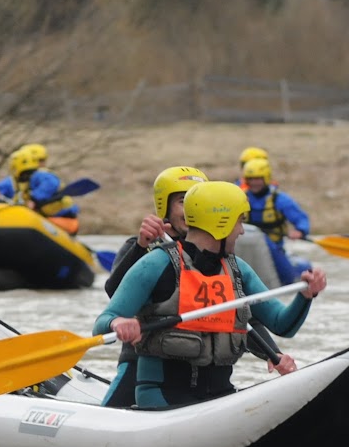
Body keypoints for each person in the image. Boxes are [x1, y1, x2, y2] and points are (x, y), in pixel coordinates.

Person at [94, 180, 325, 411]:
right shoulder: (156, 264)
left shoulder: (238, 270)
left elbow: (282, 324)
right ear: (221, 223)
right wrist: (118, 322)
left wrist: (305, 296)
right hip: (163, 398)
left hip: (219, 397)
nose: (242, 231)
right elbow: (102, 323)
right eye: (239, 222)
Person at [98, 166, 208, 406]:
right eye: (182, 201)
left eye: (196, 200)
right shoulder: (139, 247)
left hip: (197, 366)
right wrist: (142, 246)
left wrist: (273, 355)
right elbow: (115, 293)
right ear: (165, 207)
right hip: (143, 361)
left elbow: (242, 312)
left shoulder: (213, 254)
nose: (191, 209)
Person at [242, 156, 312, 286]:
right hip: (245, 249)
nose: (253, 183)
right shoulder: (240, 196)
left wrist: (300, 231)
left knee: (288, 279)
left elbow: (301, 218)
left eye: (257, 178)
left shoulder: (280, 199)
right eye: (250, 179)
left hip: (273, 248)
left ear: (266, 178)